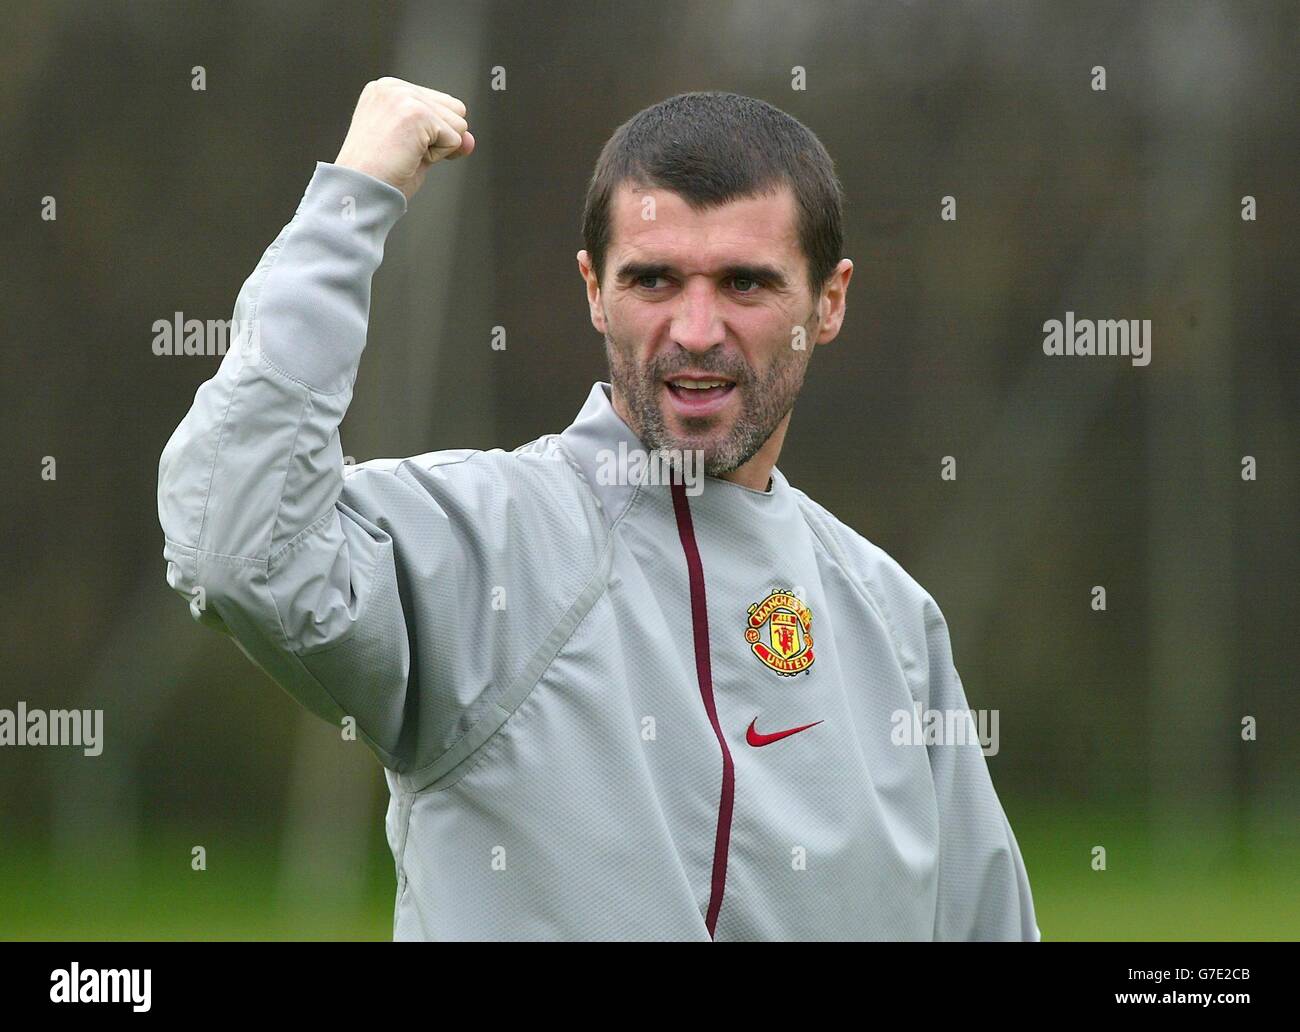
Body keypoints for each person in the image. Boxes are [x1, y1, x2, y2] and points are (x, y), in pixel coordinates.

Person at [157, 78, 1040, 941]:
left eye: (745, 284)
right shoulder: (482, 543)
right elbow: (238, 546)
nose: (696, 330)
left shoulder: (890, 619)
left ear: (829, 300)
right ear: (593, 289)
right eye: (654, 281)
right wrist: (350, 204)